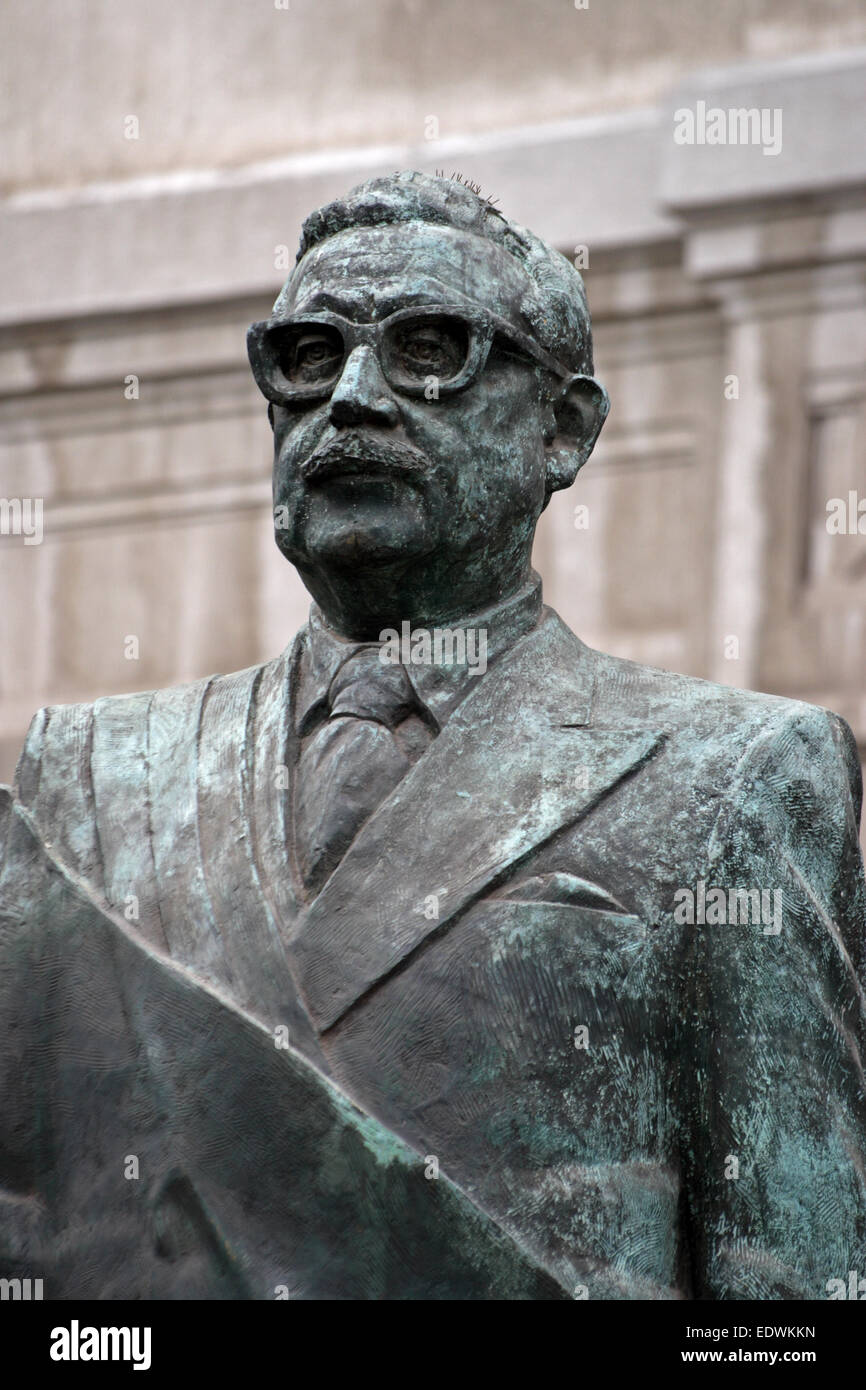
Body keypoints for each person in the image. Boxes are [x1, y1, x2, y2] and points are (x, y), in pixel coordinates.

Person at [2, 171, 865, 1299]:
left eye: (428, 348)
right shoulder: (81, 777)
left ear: (562, 430)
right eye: (309, 355)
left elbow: (790, 1289)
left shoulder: (733, 778)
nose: (351, 396)